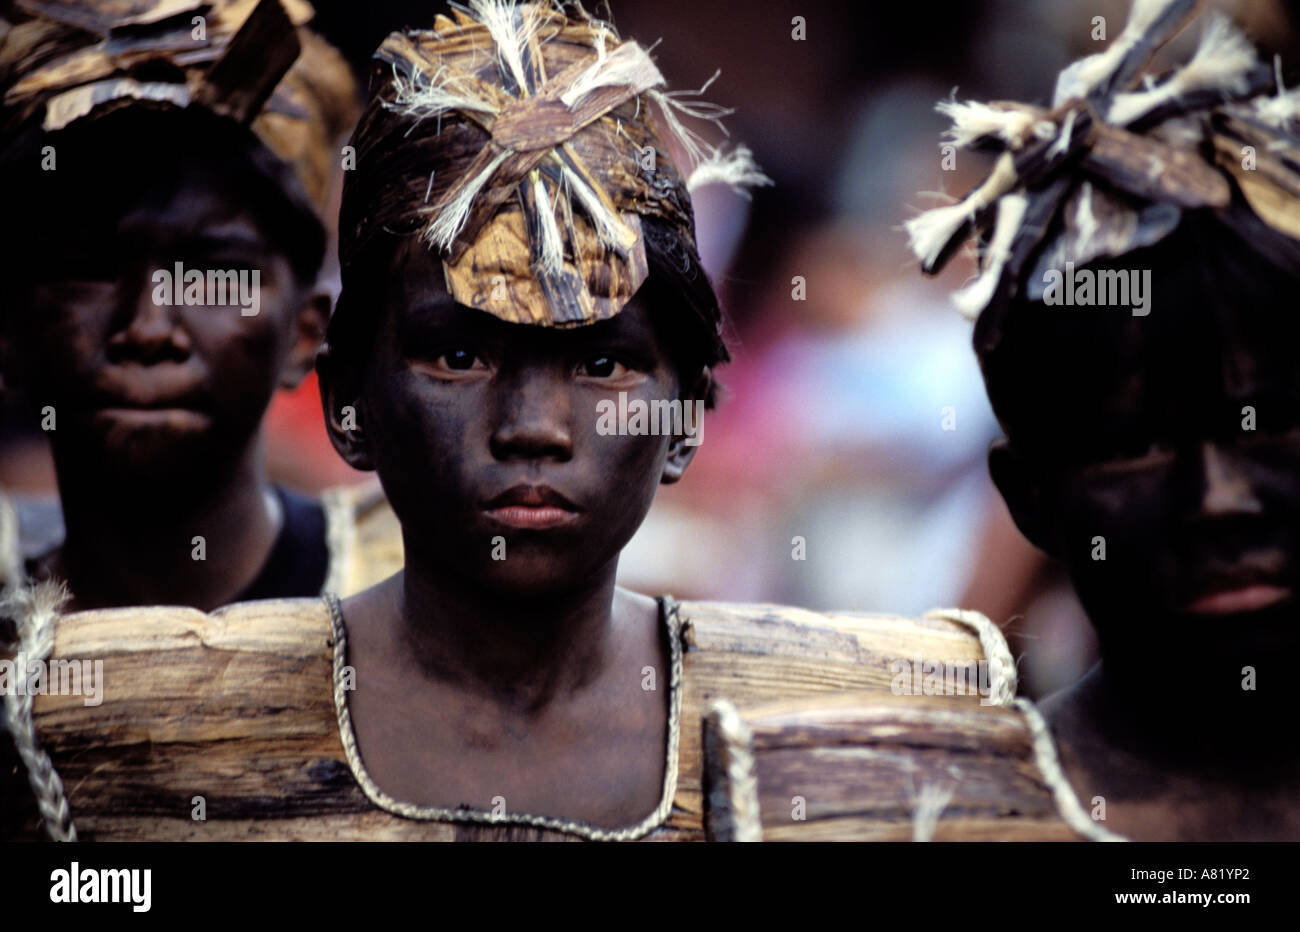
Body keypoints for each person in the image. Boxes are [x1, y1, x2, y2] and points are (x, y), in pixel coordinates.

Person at [0, 1, 995, 842]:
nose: (530, 427)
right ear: (347, 401)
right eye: (460, 354)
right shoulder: (106, 721)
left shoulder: (868, 720)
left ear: (688, 416)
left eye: (601, 361)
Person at [902, 0, 1300, 840]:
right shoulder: (904, 820)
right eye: (1133, 445)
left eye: (1271, 421)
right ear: (1031, 496)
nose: (1218, 498)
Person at [0, 0, 398, 611]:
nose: (150, 328)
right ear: (8, 328)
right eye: (90, 269)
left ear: (306, 333)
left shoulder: (411, 608)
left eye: (214, 275)